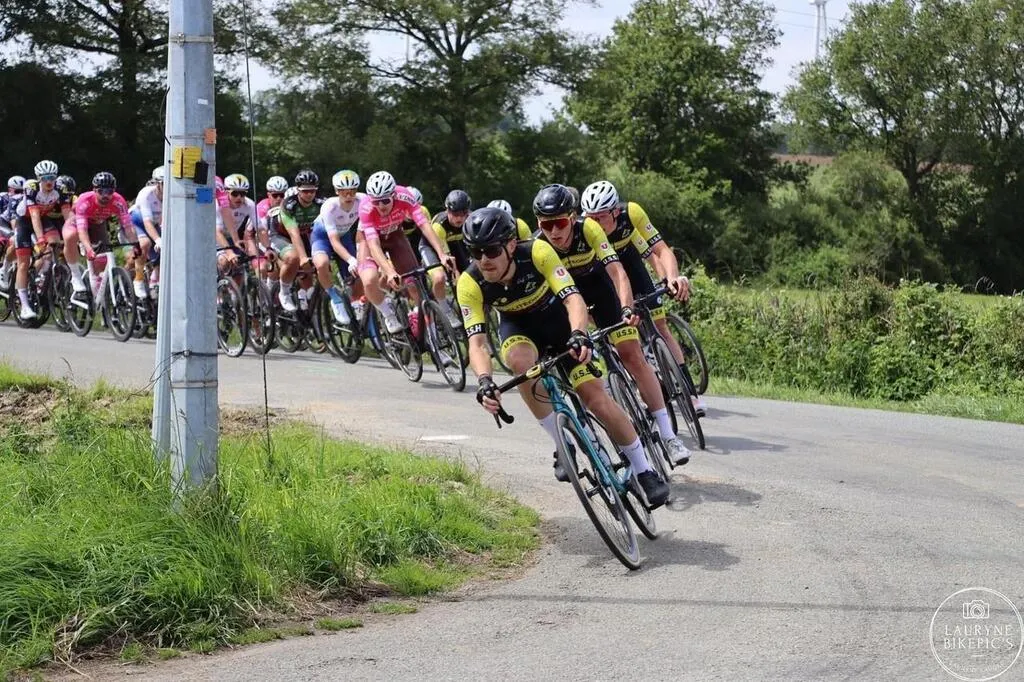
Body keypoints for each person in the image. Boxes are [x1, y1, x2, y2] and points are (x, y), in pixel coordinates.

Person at [457, 206, 669, 505]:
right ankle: (562, 443)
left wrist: (579, 333)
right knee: (520, 366)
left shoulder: (538, 252)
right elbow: (477, 342)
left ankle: (643, 469)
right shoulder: (469, 282)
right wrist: (484, 381)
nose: (483, 260)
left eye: (490, 251)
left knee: (595, 397)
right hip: (519, 330)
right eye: (475, 252)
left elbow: (572, 299)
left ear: (510, 244)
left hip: (559, 323)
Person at [532, 184, 691, 465]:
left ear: (571, 218)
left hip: (603, 292)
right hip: (570, 301)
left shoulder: (589, 230)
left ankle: (669, 436)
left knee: (631, 353)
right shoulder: (539, 246)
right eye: (546, 224)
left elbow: (618, 273)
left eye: (559, 223)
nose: (554, 231)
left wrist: (627, 308)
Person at [580, 180, 707, 414]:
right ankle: (640, 380)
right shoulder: (584, 230)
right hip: (604, 276)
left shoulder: (632, 213)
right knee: (621, 339)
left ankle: (689, 391)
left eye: (600, 218)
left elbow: (661, 250)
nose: (594, 224)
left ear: (615, 211)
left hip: (629, 263)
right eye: (590, 218)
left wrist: (672, 278)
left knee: (661, 327)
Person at [355, 170, 452, 333]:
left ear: (393, 195)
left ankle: (431, 334)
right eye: (376, 202)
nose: (381, 206)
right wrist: (390, 271)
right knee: (370, 281)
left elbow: (424, 225)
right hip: (369, 241)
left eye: (385, 201)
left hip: (395, 236)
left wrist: (441, 254)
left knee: (415, 282)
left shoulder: (405, 196)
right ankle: (389, 315)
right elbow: (373, 244)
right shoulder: (366, 208)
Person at [14, 160, 73, 318]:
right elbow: (33, 216)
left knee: (55, 244)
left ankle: (43, 276)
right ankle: (24, 306)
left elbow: (68, 216)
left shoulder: (60, 188)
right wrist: (40, 240)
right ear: (39, 178)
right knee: (24, 263)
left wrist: (75, 236)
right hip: (25, 222)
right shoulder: (32, 187)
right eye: (45, 178)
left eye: (52, 177)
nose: (49, 181)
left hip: (43, 219)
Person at [311, 169, 363, 323]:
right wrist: (350, 260)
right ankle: (335, 299)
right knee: (322, 263)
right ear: (336, 191)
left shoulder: (363, 201)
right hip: (322, 237)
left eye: (352, 192)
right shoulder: (329, 206)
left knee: (358, 274)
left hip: (344, 236)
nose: (348, 196)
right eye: (344, 192)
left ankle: (356, 304)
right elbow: (333, 241)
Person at [270, 170, 323, 312]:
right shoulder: (289, 205)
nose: (309, 194)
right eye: (305, 191)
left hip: (304, 235)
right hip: (282, 236)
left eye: (312, 191)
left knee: (312, 268)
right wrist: (303, 257)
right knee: (294, 258)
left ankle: (306, 299)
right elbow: (294, 235)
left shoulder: (319, 205)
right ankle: (284, 292)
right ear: (298, 191)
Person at [420, 189, 472, 326]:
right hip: (432, 247)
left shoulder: (471, 221)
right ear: (447, 210)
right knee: (440, 277)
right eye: (455, 214)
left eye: (463, 214)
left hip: (454, 244)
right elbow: (447, 258)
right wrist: (455, 273)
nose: (459, 218)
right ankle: (445, 310)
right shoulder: (439, 225)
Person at [128, 166, 164, 298]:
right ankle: (138, 279)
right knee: (144, 244)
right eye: (165, 184)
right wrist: (158, 240)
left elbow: (164, 221)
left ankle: (155, 279)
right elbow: (147, 222)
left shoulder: (171, 196)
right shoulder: (147, 194)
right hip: (137, 219)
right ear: (158, 184)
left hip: (155, 223)